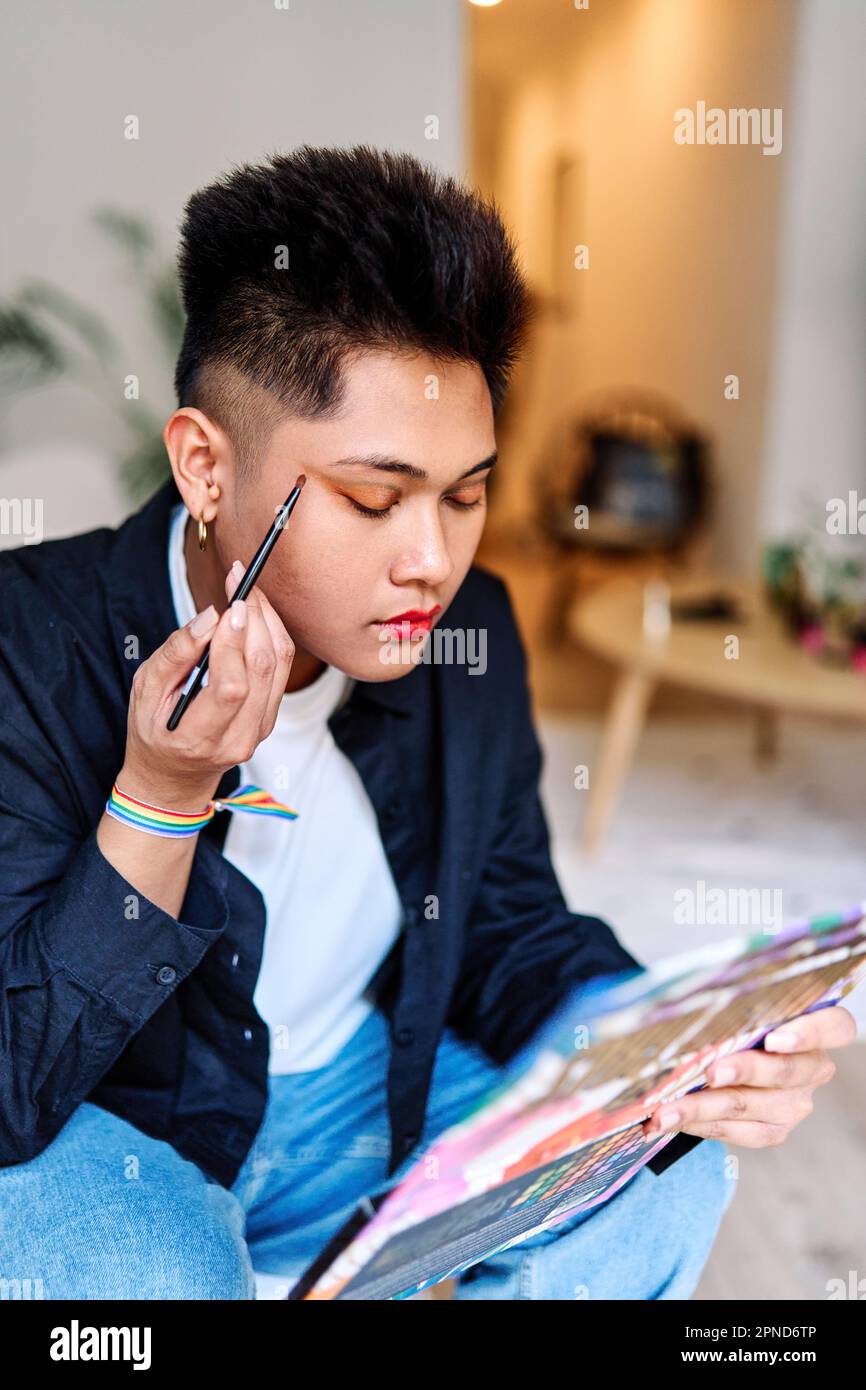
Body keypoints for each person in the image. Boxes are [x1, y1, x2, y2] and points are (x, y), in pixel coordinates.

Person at [0, 146, 853, 1301]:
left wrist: (675, 1042)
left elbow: (504, 929)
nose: (432, 561)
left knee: (663, 1174)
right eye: (369, 498)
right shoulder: (27, 641)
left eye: (465, 494)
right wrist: (158, 789)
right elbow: (15, 1079)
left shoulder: (473, 631)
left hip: (365, 1088)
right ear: (206, 465)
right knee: (138, 1274)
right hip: (112, 1121)